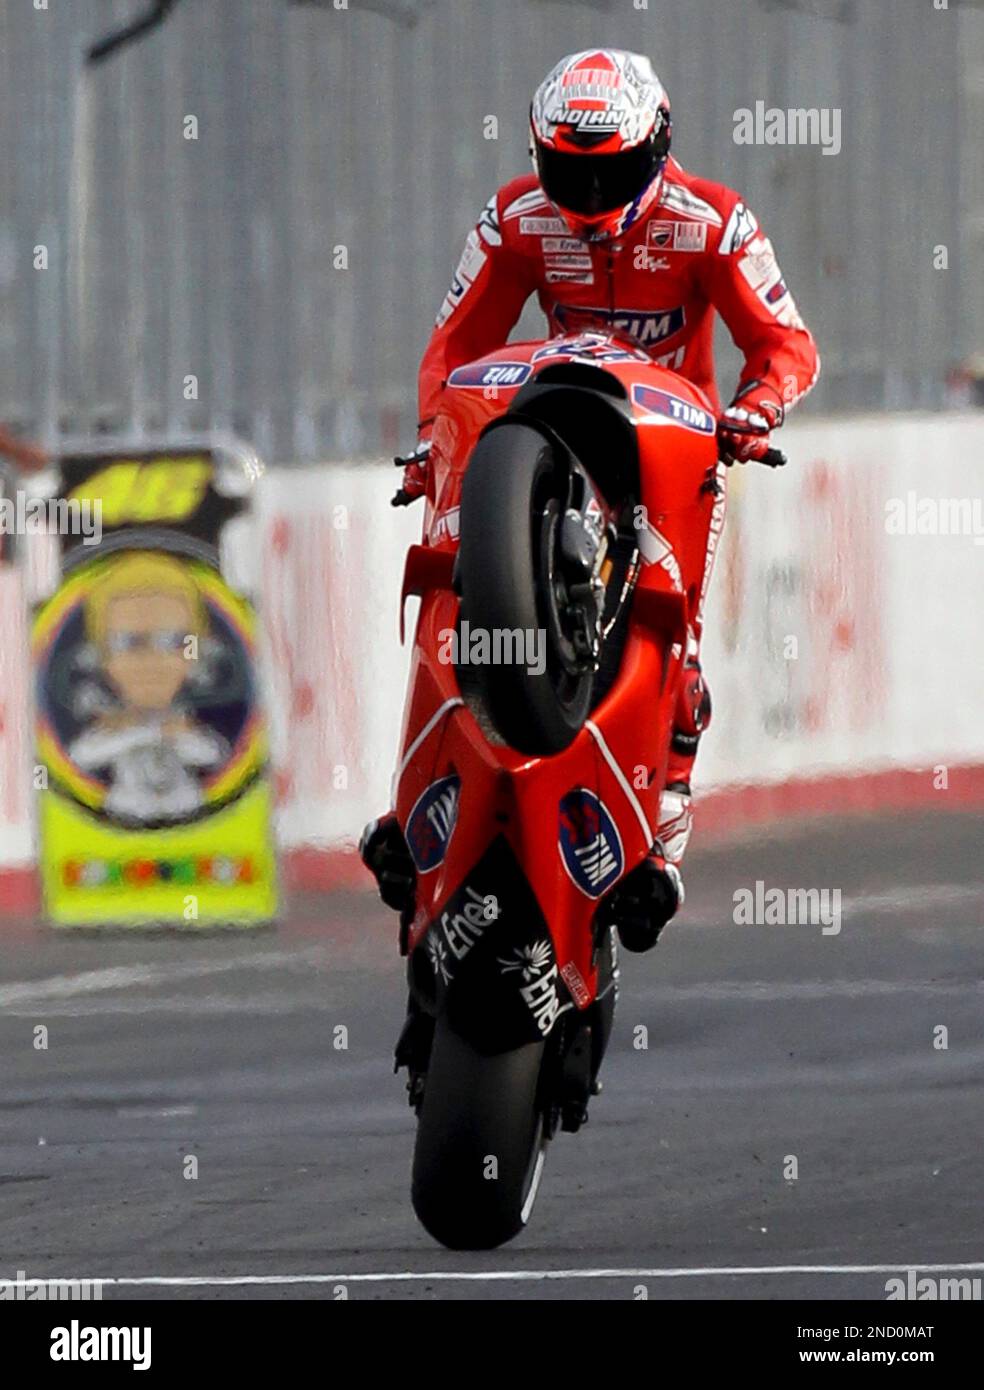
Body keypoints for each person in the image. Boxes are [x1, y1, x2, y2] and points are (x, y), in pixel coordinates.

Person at [373, 47, 820, 949]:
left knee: (679, 633)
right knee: (447, 570)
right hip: (540, 423)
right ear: (537, 154)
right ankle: (407, 809)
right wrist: (434, 440)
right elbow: (454, 346)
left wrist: (755, 411)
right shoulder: (514, 218)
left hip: (666, 446)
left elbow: (785, 344)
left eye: (607, 170)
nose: (584, 192)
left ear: (656, 150)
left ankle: (659, 846)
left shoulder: (715, 223)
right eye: (565, 169)